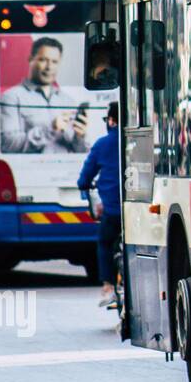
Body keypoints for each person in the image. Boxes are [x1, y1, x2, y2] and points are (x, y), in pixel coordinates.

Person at [0, 37, 92, 153]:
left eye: (54, 62)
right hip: (31, 170)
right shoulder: (11, 97)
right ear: (30, 59)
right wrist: (50, 129)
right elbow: (7, 144)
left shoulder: (68, 101)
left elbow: (81, 151)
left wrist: (80, 137)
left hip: (66, 170)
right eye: (43, 60)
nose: (49, 67)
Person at [77, 102, 121, 307]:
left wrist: (85, 185)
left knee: (104, 242)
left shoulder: (103, 144)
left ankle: (108, 286)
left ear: (111, 120)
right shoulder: (135, 141)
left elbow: (85, 177)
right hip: (136, 210)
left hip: (112, 210)